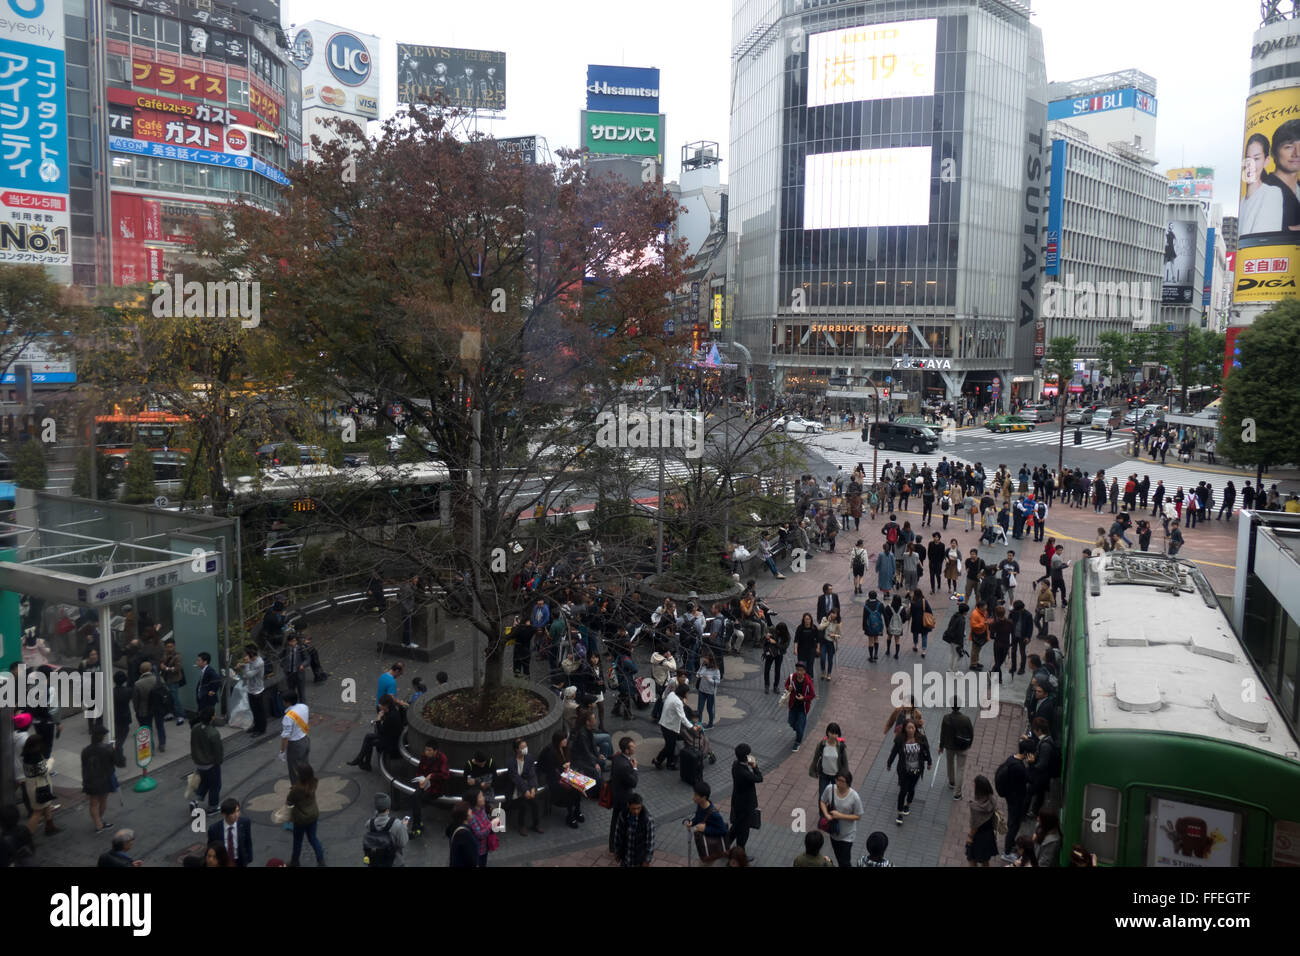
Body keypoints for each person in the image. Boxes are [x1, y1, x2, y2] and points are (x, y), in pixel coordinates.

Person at [886, 719, 932, 826]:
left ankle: (908, 804)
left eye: (913, 728)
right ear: (905, 729)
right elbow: (894, 752)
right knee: (903, 790)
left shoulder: (921, 738)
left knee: (911, 789)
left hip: (916, 770)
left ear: (915, 728)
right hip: (903, 770)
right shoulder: (900, 739)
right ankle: (900, 813)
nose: (911, 730)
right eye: (908, 728)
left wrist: (929, 762)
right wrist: (889, 763)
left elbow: (927, 750)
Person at [996, 738, 1035, 862]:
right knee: (1014, 825)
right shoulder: (1019, 768)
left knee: (1013, 822)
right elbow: (1030, 779)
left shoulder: (1011, 758)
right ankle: (1007, 852)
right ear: (1027, 754)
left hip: (1010, 796)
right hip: (1016, 799)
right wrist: (1031, 764)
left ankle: (1010, 845)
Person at [346, 694, 404, 772]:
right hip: (389, 737)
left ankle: (363, 762)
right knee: (368, 737)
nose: (379, 705)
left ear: (386, 705)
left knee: (369, 741)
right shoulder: (392, 710)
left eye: (381, 704)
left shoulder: (391, 717)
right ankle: (362, 761)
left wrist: (379, 719)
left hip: (392, 744)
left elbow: (381, 732)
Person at [819, 770, 864, 867]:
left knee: (845, 861)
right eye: (837, 780)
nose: (838, 783)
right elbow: (822, 801)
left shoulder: (854, 797)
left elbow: (858, 816)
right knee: (839, 857)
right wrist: (826, 814)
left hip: (848, 835)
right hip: (834, 832)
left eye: (841, 781)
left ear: (848, 782)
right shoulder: (830, 789)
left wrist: (840, 816)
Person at [407, 739, 451, 837]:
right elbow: (419, 770)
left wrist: (431, 776)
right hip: (424, 785)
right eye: (426, 750)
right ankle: (417, 824)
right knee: (415, 797)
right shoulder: (424, 757)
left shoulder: (442, 758)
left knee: (416, 799)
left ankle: (417, 825)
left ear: (435, 751)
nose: (427, 752)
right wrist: (421, 780)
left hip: (436, 788)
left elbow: (445, 775)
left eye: (429, 750)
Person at [80, 728, 116, 834]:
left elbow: (84, 767)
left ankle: (98, 824)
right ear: (102, 737)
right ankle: (100, 821)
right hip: (104, 779)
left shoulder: (85, 750)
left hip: (90, 780)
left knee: (93, 803)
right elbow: (117, 762)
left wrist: (84, 780)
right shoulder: (107, 749)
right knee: (103, 801)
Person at [188, 707, 224, 814]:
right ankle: (213, 807)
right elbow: (218, 751)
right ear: (212, 717)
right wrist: (218, 761)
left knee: (204, 783)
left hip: (199, 763)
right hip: (211, 764)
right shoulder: (213, 733)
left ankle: (195, 801)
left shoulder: (195, 728)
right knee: (215, 785)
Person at [20, 735, 58, 836]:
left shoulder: (26, 755)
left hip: (32, 784)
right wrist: (50, 761)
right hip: (39, 786)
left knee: (46, 805)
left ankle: (50, 826)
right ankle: (27, 836)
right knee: (38, 811)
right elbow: (44, 771)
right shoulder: (36, 756)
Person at [653, 677, 693, 771]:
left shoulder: (672, 694)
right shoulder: (678, 702)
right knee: (669, 746)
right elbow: (682, 717)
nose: (688, 694)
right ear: (683, 693)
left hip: (666, 724)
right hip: (669, 726)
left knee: (670, 745)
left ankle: (665, 762)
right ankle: (662, 761)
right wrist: (692, 727)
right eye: (687, 693)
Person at [728, 744, 762, 853]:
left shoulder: (736, 765)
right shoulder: (745, 773)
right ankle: (740, 853)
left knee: (736, 827)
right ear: (746, 757)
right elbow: (759, 778)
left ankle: (725, 845)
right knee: (743, 831)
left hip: (737, 802)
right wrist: (755, 766)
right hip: (745, 806)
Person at [687, 781, 730, 863]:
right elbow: (698, 817)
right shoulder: (700, 805)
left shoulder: (714, 814)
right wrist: (692, 822)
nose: (693, 798)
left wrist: (705, 829)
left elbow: (723, 830)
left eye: (696, 795)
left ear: (703, 797)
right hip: (705, 845)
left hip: (711, 848)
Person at [505, 736, 541, 837]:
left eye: (526, 746)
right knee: (523, 804)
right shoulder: (511, 762)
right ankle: (522, 825)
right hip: (515, 788)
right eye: (522, 747)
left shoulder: (529, 758)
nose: (525, 748)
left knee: (535, 803)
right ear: (517, 750)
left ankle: (536, 824)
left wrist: (533, 788)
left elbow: (532, 774)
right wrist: (525, 790)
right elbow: (516, 778)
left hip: (528, 786)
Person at [938, 698, 973, 800]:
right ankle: (957, 793)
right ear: (960, 706)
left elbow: (942, 733)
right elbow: (971, 733)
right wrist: (969, 744)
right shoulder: (966, 719)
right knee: (960, 768)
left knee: (950, 763)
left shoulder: (946, 718)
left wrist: (941, 746)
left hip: (950, 746)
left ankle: (951, 782)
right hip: (962, 747)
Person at [364, 792, 409, 867]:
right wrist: (403, 826)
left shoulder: (369, 824)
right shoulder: (397, 824)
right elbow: (402, 843)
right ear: (388, 809)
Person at [206, 797, 253, 867]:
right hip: (223, 862)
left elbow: (248, 841)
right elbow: (211, 848)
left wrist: (249, 858)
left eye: (237, 811)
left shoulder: (245, 822)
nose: (237, 815)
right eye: (233, 813)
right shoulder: (214, 829)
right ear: (224, 814)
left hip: (240, 861)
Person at [809, 722, 849, 803]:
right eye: (832, 733)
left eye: (836, 733)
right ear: (827, 732)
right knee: (822, 797)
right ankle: (822, 814)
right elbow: (816, 758)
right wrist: (813, 770)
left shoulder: (841, 747)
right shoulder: (822, 745)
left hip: (836, 776)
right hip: (824, 775)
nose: (834, 736)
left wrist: (846, 776)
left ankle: (832, 812)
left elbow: (845, 762)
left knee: (835, 797)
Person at [132, 660, 167, 753]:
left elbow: (136, 700)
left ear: (140, 671)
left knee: (148, 729)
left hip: (145, 709)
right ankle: (162, 744)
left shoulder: (138, 684)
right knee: (160, 726)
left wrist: (136, 710)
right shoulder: (159, 679)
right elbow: (165, 692)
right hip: (158, 707)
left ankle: (150, 748)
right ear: (150, 669)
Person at [612, 792, 656, 867]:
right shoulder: (623, 816)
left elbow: (650, 843)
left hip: (639, 859)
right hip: (626, 857)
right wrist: (617, 852)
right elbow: (617, 834)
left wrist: (647, 860)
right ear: (628, 806)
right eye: (633, 809)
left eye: (638, 808)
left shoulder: (647, 820)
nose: (636, 811)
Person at [965, 774, 999, 866]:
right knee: (985, 860)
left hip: (978, 837)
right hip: (989, 835)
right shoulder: (991, 800)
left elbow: (974, 825)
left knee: (971, 858)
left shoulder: (975, 807)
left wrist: (970, 837)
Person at [279, 690, 310, 785]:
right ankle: (307, 786)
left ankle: (297, 792)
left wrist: (282, 751)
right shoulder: (304, 707)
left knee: (294, 771)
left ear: (287, 702)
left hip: (295, 745)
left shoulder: (288, 717)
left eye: (283, 701)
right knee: (304, 767)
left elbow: (285, 736)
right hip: (306, 740)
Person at [784, 662, 816, 751]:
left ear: (804, 671)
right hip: (793, 705)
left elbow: (812, 695)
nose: (799, 672)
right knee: (791, 722)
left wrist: (804, 698)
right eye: (797, 670)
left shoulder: (808, 682)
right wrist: (788, 688)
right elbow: (786, 685)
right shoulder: (792, 677)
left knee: (799, 726)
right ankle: (799, 729)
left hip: (803, 708)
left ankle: (797, 742)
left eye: (801, 670)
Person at [235, 644, 266, 736]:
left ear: (251, 654)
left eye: (246, 654)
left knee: (259, 711)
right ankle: (256, 726)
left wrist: (247, 664)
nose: (245, 656)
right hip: (251, 689)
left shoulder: (259, 662)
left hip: (257, 690)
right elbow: (249, 668)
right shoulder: (252, 661)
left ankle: (261, 729)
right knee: (254, 710)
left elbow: (249, 675)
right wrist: (243, 665)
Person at [159, 638, 186, 726]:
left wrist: (166, 668)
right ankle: (170, 713)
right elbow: (161, 662)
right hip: (165, 679)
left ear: (174, 646)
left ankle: (180, 715)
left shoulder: (178, 656)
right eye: (167, 647)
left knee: (175, 698)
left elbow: (177, 668)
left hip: (173, 680)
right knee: (167, 698)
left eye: (171, 646)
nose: (169, 648)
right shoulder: (164, 655)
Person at [466, 788, 495, 867]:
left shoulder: (482, 808)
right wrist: (492, 824)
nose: (483, 798)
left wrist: (491, 821)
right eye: (481, 796)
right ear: (474, 801)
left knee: (484, 863)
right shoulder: (471, 816)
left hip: (485, 847)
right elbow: (480, 834)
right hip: (477, 850)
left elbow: (486, 821)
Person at [446, 801, 479, 868]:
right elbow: (471, 857)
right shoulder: (464, 833)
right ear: (465, 814)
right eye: (469, 809)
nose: (471, 811)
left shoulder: (454, 827)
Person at [762, 621, 789, 693]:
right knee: (767, 669)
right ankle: (766, 685)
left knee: (777, 670)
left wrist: (775, 643)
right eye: (777, 630)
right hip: (770, 653)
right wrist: (766, 637)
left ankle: (776, 686)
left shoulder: (787, 637)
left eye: (779, 630)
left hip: (779, 655)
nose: (777, 631)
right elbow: (765, 638)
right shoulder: (774, 631)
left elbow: (783, 647)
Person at [696, 653, 721, 726]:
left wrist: (709, 679)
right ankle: (699, 724)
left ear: (710, 660)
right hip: (702, 690)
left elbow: (718, 682)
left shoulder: (716, 670)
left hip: (710, 692)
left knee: (709, 709)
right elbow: (698, 672)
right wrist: (698, 675)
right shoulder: (703, 665)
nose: (704, 659)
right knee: (700, 709)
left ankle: (710, 724)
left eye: (706, 658)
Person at [943, 603, 969, 671]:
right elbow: (960, 632)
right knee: (959, 656)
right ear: (964, 611)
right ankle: (955, 670)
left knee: (952, 653)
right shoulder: (962, 620)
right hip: (957, 640)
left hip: (951, 638)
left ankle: (950, 668)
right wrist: (961, 644)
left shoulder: (954, 616)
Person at [908, 588, 933, 657]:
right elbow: (930, 611)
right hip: (924, 622)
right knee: (924, 635)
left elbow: (910, 613)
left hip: (915, 621)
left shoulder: (912, 602)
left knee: (915, 634)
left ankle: (915, 646)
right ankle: (923, 651)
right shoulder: (924, 602)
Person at [816, 610, 840, 681]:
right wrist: (828, 622)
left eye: (835, 614)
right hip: (824, 642)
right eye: (833, 613)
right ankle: (823, 671)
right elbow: (820, 627)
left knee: (830, 660)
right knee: (822, 658)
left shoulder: (837, 623)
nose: (834, 615)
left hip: (831, 643)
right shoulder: (824, 619)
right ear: (830, 613)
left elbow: (839, 635)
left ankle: (829, 673)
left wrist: (834, 635)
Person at [862, 590, 886, 662]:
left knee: (870, 641)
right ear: (876, 596)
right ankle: (876, 654)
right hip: (878, 626)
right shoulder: (880, 604)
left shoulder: (866, 605)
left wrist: (864, 627)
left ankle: (871, 656)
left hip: (869, 626)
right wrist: (886, 625)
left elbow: (864, 618)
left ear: (869, 596)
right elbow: (885, 615)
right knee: (876, 639)